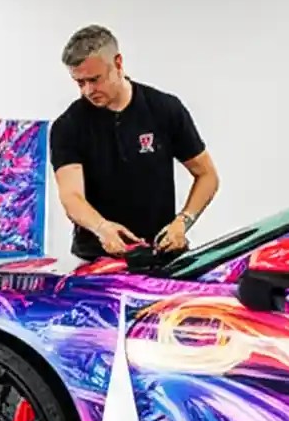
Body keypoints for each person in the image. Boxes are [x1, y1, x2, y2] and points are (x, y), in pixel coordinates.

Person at [49, 24, 220, 260]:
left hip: (161, 255)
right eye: (80, 82)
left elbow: (207, 175)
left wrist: (183, 221)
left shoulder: (164, 109)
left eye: (95, 79)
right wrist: (102, 227)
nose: (88, 90)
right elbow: (71, 196)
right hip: (97, 260)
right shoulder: (68, 126)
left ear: (118, 63)